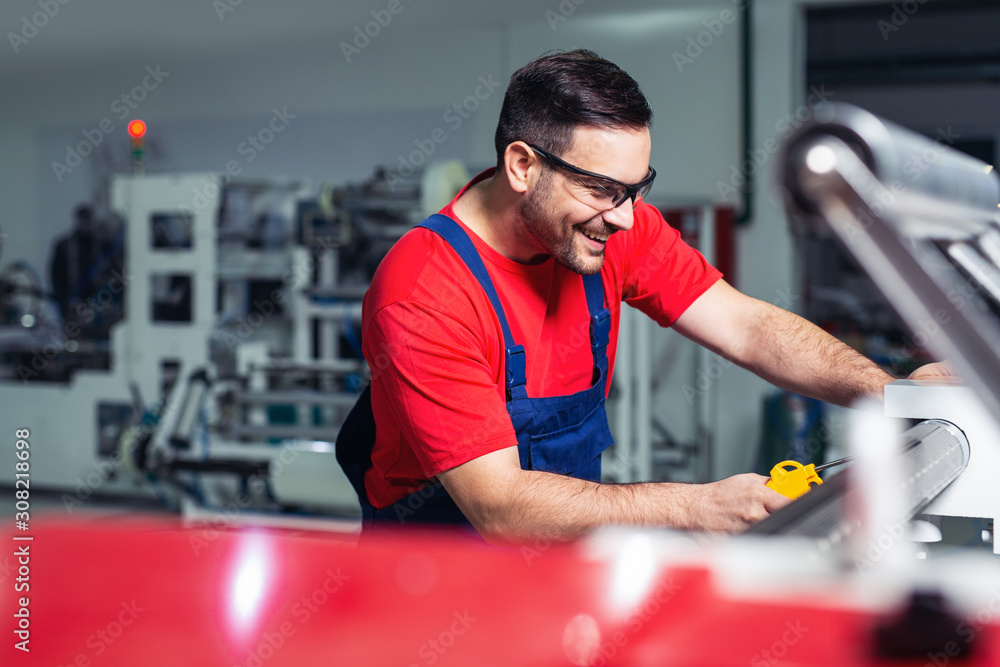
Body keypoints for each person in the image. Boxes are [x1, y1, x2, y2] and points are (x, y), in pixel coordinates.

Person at [336, 49, 948, 544]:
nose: (627, 217)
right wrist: (697, 505)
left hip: (563, 558)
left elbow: (746, 327)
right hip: (439, 572)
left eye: (638, 187)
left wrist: (892, 391)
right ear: (522, 165)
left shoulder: (608, 229)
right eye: (603, 188)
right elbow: (501, 508)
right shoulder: (424, 293)